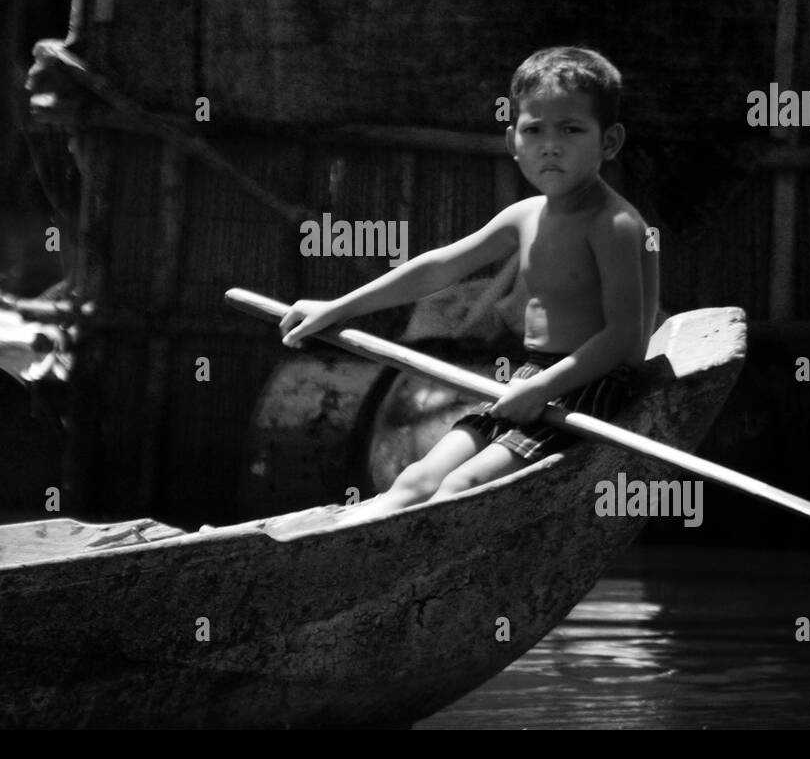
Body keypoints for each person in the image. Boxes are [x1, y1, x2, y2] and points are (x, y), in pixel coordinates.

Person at [279, 46, 659, 518]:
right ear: (512, 141)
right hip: (530, 377)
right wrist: (336, 308)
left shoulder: (615, 224)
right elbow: (438, 268)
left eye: (572, 129)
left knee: (463, 485)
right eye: (534, 129)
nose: (551, 144)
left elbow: (624, 337)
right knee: (414, 481)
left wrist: (542, 390)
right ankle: (338, 544)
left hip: (593, 386)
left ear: (610, 141)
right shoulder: (524, 216)